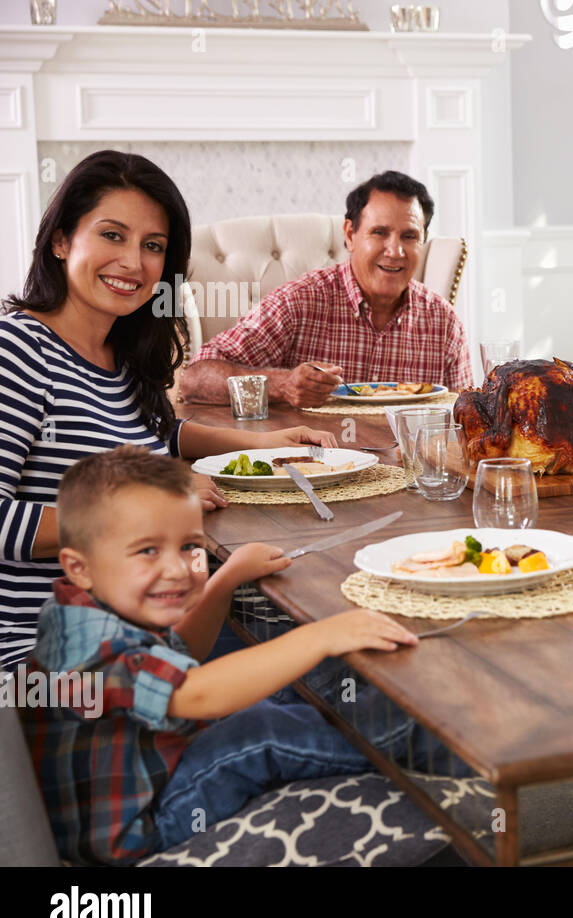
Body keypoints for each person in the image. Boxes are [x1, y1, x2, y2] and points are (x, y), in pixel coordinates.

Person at [19, 446, 459, 865]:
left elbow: (183, 653)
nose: (177, 569)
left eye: (189, 546)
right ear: (80, 566)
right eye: (147, 550)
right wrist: (320, 636)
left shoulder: (89, 605)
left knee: (282, 701)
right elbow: (196, 694)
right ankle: (437, 749)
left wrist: (225, 578)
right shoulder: (85, 641)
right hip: (141, 827)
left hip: (161, 768)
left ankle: (404, 725)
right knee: (262, 730)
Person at [0, 150, 333, 671]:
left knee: (324, 639)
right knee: (322, 668)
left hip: (142, 630)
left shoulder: (118, 353)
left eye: (152, 246)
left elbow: (159, 433)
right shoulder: (17, 350)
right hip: (56, 659)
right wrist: (149, 512)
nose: (133, 262)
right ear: (62, 241)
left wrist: (265, 441)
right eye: (112, 235)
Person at [180, 170, 473, 407]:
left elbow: (465, 417)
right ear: (350, 234)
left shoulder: (443, 322)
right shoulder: (297, 301)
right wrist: (283, 386)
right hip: (309, 471)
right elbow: (195, 378)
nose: (395, 251)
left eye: (409, 236)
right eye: (379, 233)